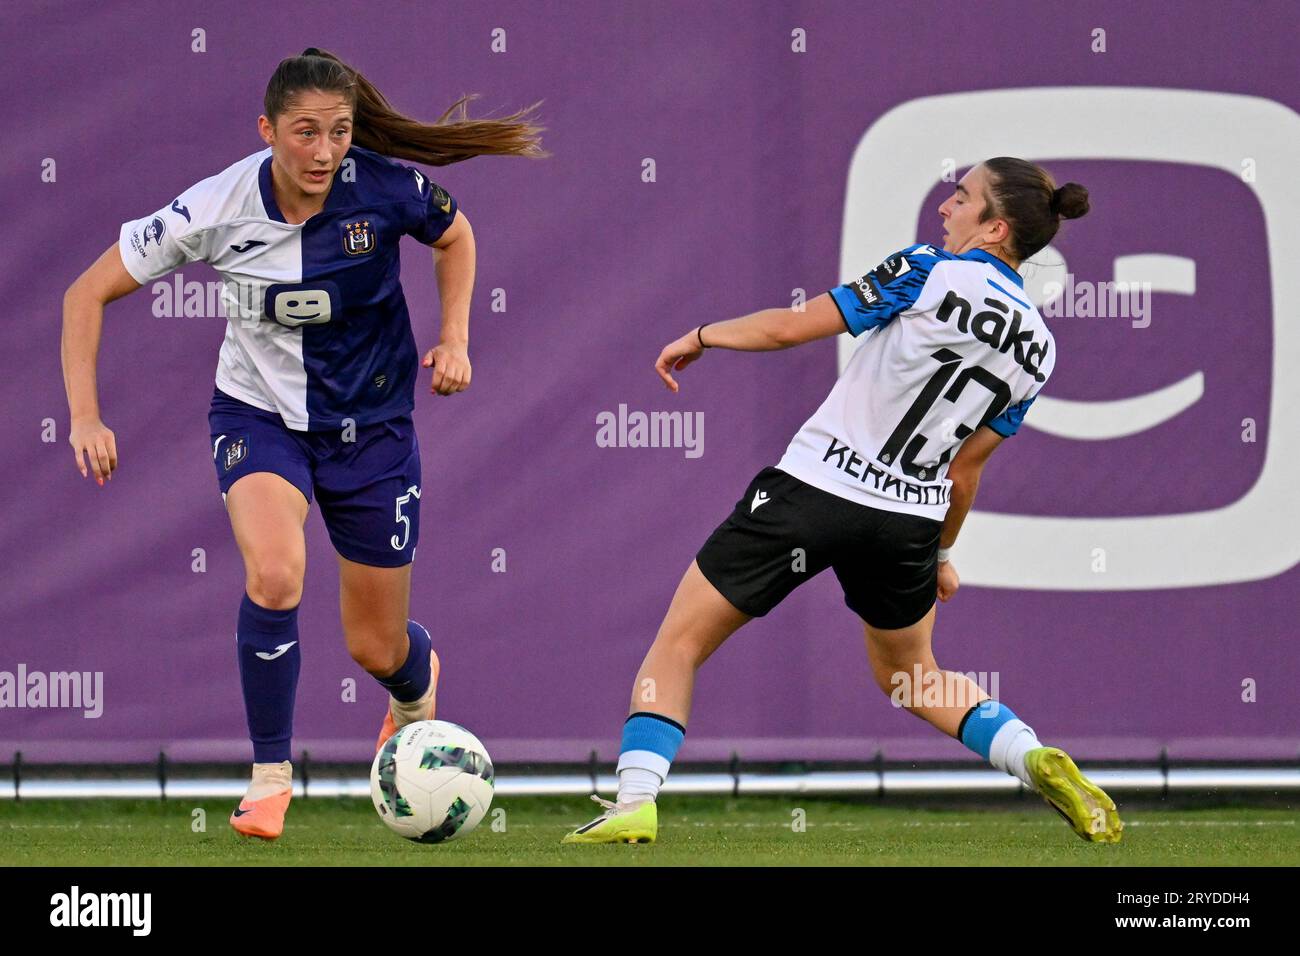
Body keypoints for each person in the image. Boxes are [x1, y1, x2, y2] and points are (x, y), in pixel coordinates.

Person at [564, 158, 1123, 846]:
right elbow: (964, 470)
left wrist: (703, 335)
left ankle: (634, 803)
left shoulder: (926, 268)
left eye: (962, 198)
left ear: (996, 228)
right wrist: (943, 552)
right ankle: (1029, 754)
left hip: (815, 490)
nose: (945, 209)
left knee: (677, 644)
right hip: (909, 521)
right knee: (914, 678)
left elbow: (791, 328)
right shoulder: (1039, 350)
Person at [60, 48, 543, 840]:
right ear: (268, 131)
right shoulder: (215, 208)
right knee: (277, 573)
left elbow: (455, 237)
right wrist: (85, 416)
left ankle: (413, 698)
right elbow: (87, 292)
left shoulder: (382, 188)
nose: (323, 152)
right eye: (304, 134)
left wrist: (456, 336)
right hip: (260, 419)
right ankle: (270, 778)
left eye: (339, 133)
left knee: (377, 647)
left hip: (375, 431)